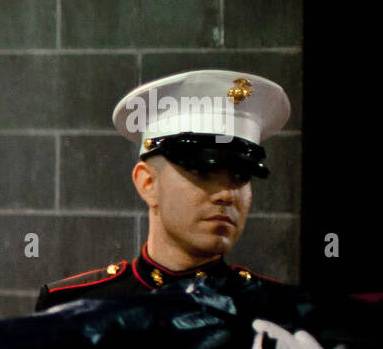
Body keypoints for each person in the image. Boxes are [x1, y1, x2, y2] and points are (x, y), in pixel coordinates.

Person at [35, 70, 290, 310]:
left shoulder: (279, 311)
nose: (226, 194)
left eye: (240, 176)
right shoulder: (75, 306)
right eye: (202, 172)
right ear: (148, 184)